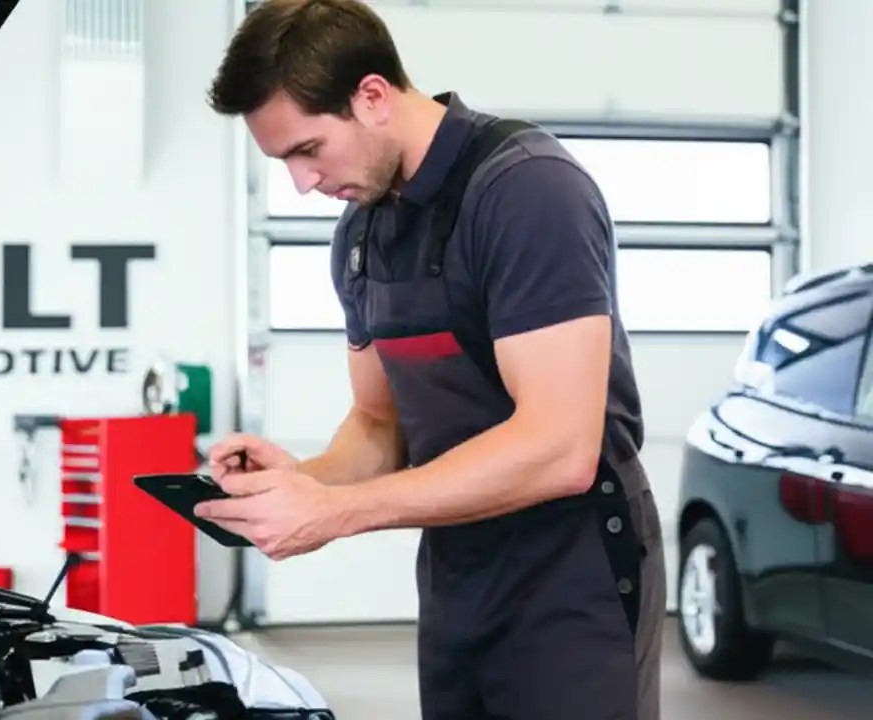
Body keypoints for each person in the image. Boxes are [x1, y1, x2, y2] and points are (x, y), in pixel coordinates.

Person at [194, 1, 666, 719]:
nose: (302, 183)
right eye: (283, 161)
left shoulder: (527, 192)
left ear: (373, 96)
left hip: (575, 577)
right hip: (457, 577)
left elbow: (560, 449)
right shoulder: (360, 234)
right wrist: (302, 480)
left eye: (308, 150)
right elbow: (379, 423)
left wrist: (338, 512)